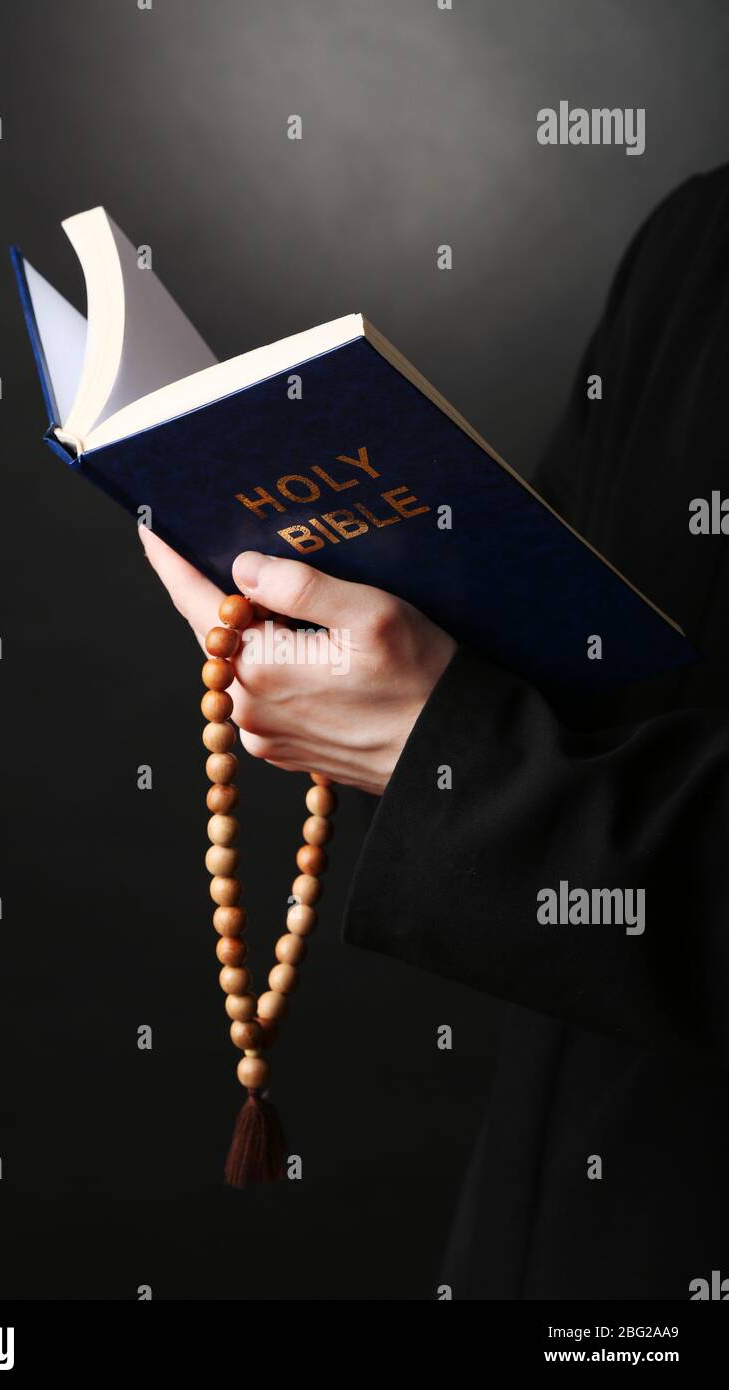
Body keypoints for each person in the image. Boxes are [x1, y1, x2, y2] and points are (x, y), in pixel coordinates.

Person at [140, 165, 729, 1299]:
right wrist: (354, 608)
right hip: (555, 1203)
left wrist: (447, 755)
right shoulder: (698, 238)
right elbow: (571, 651)